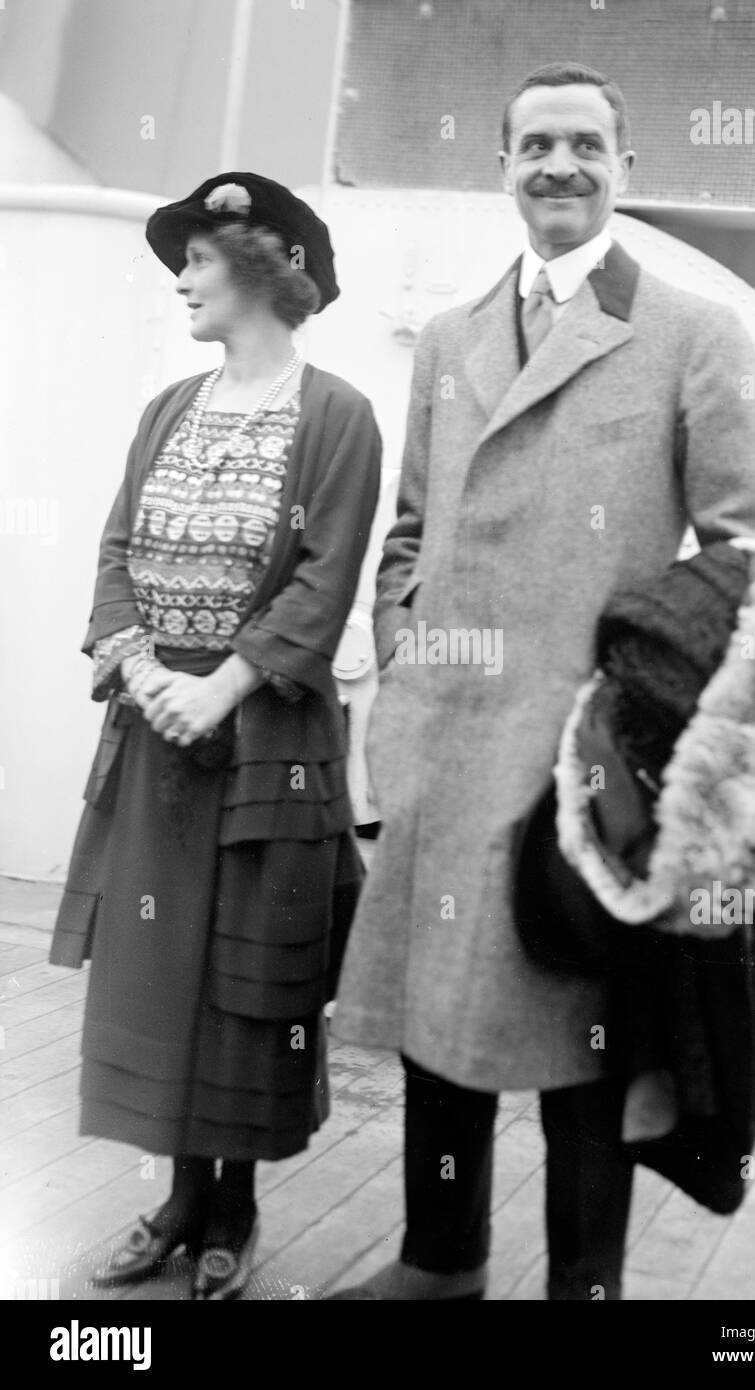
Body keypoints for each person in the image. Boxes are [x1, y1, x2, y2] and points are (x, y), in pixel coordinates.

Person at [329, 62, 755, 1301]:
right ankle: (441, 1266)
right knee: (440, 1026)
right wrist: (408, 649)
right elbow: (411, 530)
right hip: (443, 747)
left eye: (586, 146)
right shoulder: (447, 339)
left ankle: (582, 1290)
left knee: (585, 1050)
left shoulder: (695, 335)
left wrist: (643, 704)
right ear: (502, 164)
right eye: (535, 144)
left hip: (583, 777)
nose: (560, 167)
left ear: (624, 170)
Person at [49, 172, 381, 1300]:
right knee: (156, 973)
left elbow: (325, 583)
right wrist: (144, 672)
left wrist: (225, 686)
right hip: (155, 738)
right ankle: (178, 1200)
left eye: (196, 257)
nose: (180, 278)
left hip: (264, 742)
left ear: (264, 265)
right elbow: (112, 557)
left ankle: (233, 1207)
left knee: (247, 982)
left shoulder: (337, 415)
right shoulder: (168, 409)